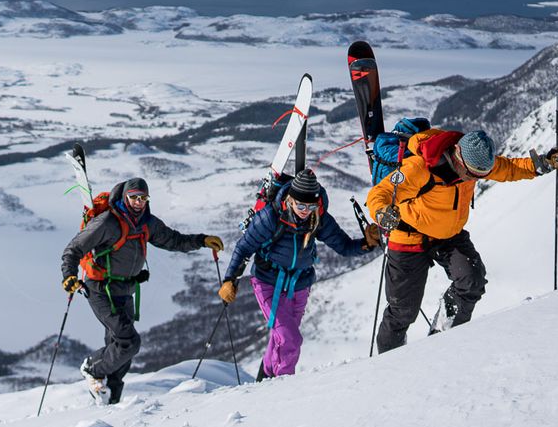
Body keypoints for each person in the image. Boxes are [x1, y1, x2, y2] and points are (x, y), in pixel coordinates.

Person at [368, 127, 558, 352]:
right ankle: (388, 365)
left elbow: (507, 168)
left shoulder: (475, 164)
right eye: (471, 173)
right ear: (457, 155)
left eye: (480, 175)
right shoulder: (419, 168)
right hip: (409, 235)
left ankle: (441, 341)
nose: (473, 179)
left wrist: (540, 164)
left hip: (448, 235)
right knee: (402, 311)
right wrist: (382, 212)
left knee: (471, 281)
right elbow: (380, 193)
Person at [61, 176, 223, 404]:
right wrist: (69, 275)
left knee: (119, 348)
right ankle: (92, 367)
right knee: (128, 342)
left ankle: (111, 398)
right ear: (125, 197)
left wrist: (202, 240)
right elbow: (74, 249)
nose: (138, 202)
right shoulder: (108, 222)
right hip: (100, 289)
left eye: (143, 198)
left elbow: (173, 240)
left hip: (125, 288)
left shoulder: (147, 223)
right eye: (133, 198)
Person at [218, 167, 377, 379]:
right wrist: (230, 280)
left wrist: (366, 244)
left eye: (310, 205)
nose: (304, 210)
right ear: (290, 199)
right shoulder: (270, 218)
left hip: (300, 283)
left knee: (281, 337)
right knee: (290, 338)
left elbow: (344, 246)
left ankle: (264, 378)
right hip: (268, 281)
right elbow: (244, 247)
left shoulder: (318, 218)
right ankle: (284, 386)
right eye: (300, 204)